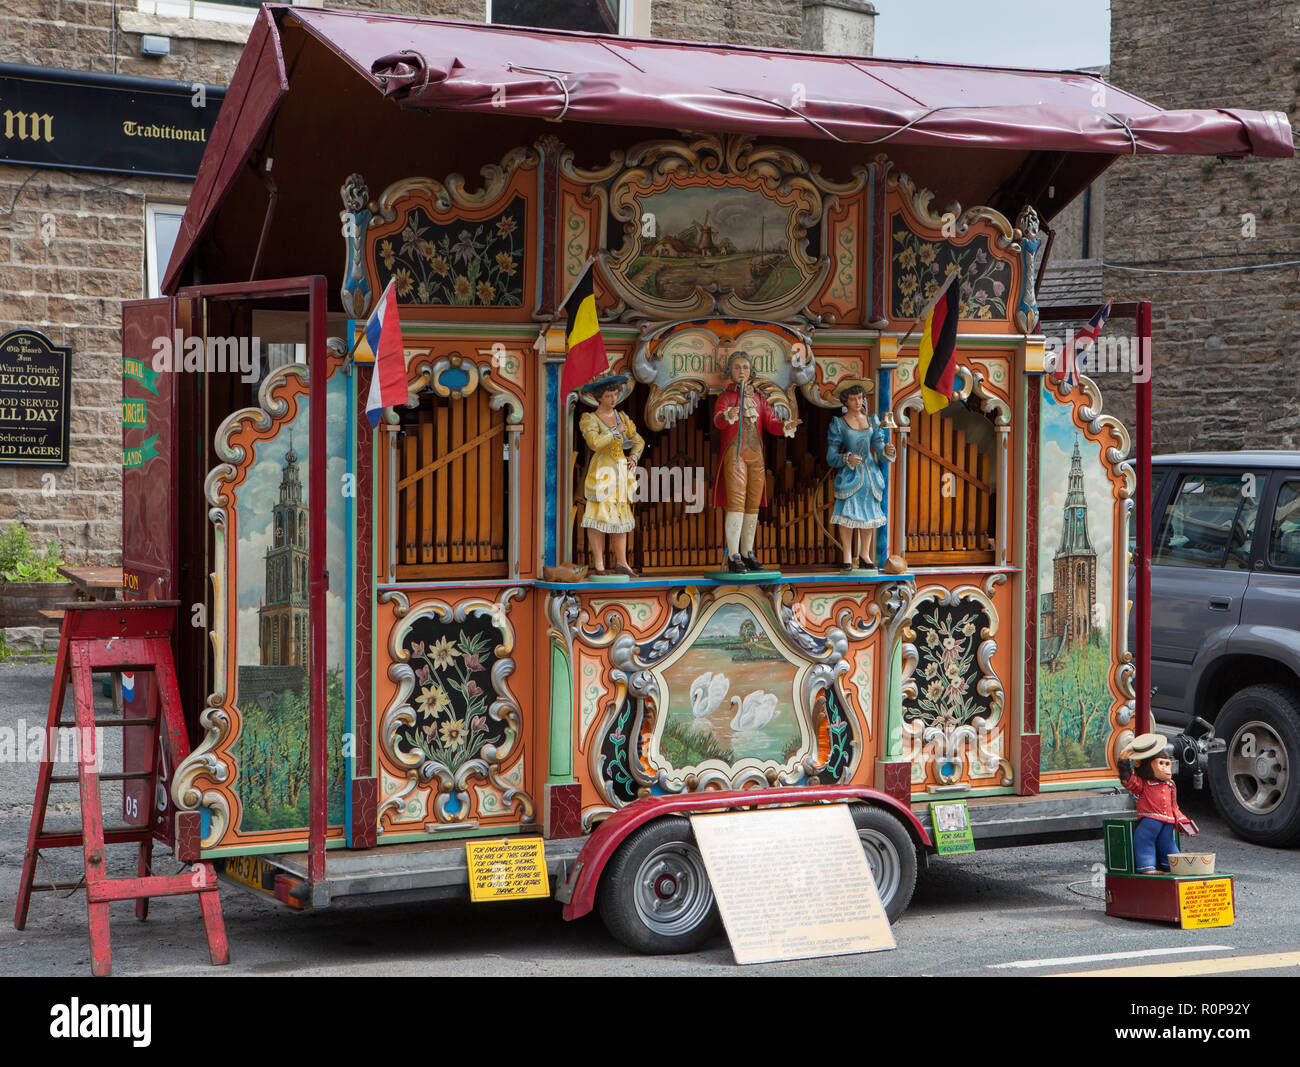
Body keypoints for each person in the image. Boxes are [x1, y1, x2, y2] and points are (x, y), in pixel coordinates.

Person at [712, 351, 800, 573]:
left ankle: (748, 552)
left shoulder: (760, 398)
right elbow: (719, 420)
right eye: (737, 367)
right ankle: (734, 555)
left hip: (756, 455)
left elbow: (770, 423)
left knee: (753, 504)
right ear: (730, 372)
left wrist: (785, 427)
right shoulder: (725, 397)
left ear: (751, 371)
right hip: (735, 454)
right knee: (736, 502)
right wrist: (727, 416)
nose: (741, 371)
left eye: (745, 367)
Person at [579, 373, 644, 577]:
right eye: (608, 396)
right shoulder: (589, 418)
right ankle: (598, 565)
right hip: (602, 471)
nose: (613, 399)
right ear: (599, 397)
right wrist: (615, 432)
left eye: (615, 394)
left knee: (620, 516)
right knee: (598, 515)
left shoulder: (622, 417)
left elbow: (639, 440)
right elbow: (594, 443)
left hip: (621, 471)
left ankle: (622, 562)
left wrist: (633, 456)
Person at [826, 379, 895, 570]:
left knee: (869, 515)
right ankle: (847, 554)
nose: (858, 402)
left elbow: (879, 448)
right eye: (853, 398)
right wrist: (847, 459)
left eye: (860, 398)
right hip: (851, 475)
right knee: (847, 513)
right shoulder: (839, 424)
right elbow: (831, 457)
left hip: (871, 474)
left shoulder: (872, 420)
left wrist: (887, 451)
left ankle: (865, 554)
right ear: (845, 401)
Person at [1118, 732, 1198, 874]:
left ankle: (1172, 866)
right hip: (1150, 820)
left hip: (1168, 822)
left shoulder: (1170, 785)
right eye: (1161, 763)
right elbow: (1128, 781)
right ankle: (1147, 867)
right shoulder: (1145, 784)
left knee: (1168, 844)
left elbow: (1174, 807)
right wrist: (1123, 763)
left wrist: (1182, 821)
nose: (1166, 768)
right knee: (1144, 841)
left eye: (1167, 764)